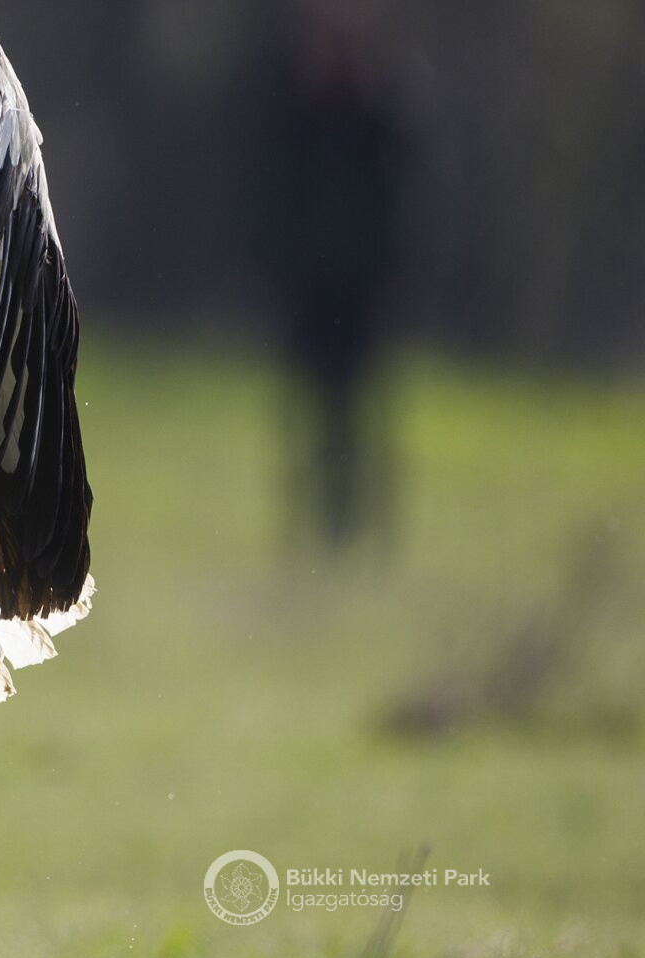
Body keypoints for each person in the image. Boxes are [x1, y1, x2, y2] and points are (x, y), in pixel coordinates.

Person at [260, 5, 405, 551]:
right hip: (309, 292)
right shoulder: (298, 120)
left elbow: (399, 211)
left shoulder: (380, 123)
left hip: (361, 292)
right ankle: (311, 521)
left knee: (360, 414)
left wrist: (393, 280)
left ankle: (358, 523)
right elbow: (274, 207)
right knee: (306, 411)